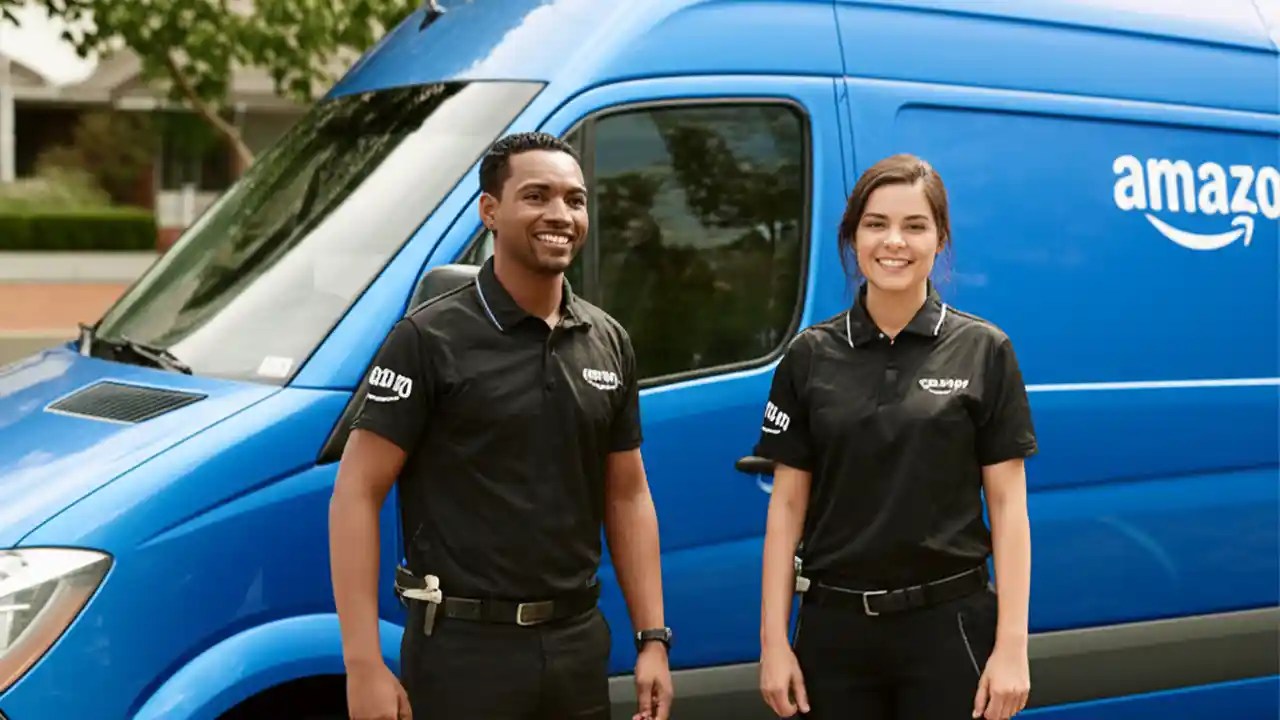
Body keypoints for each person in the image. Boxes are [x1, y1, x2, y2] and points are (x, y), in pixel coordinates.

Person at [329, 132, 674, 720]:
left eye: (575, 199)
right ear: (490, 210)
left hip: (577, 647)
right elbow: (357, 493)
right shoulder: (427, 339)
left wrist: (653, 640)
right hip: (463, 654)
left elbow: (628, 493)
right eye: (536, 196)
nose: (560, 215)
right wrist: (363, 664)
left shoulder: (608, 341)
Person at [756, 154, 1036, 720]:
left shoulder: (984, 350)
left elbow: (1008, 507)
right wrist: (773, 644)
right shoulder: (810, 355)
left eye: (915, 226)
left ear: (940, 240)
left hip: (949, 627)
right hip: (834, 634)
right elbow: (786, 507)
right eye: (877, 224)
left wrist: (1012, 647)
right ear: (853, 236)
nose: (895, 242)